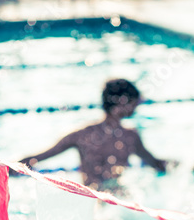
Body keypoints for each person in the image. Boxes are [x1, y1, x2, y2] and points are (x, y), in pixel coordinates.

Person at [20, 79, 167, 190]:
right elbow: (156, 164)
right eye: (134, 101)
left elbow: (38, 157)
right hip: (119, 201)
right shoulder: (130, 137)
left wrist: (13, 167)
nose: (137, 105)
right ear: (123, 102)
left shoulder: (83, 134)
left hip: (92, 200)